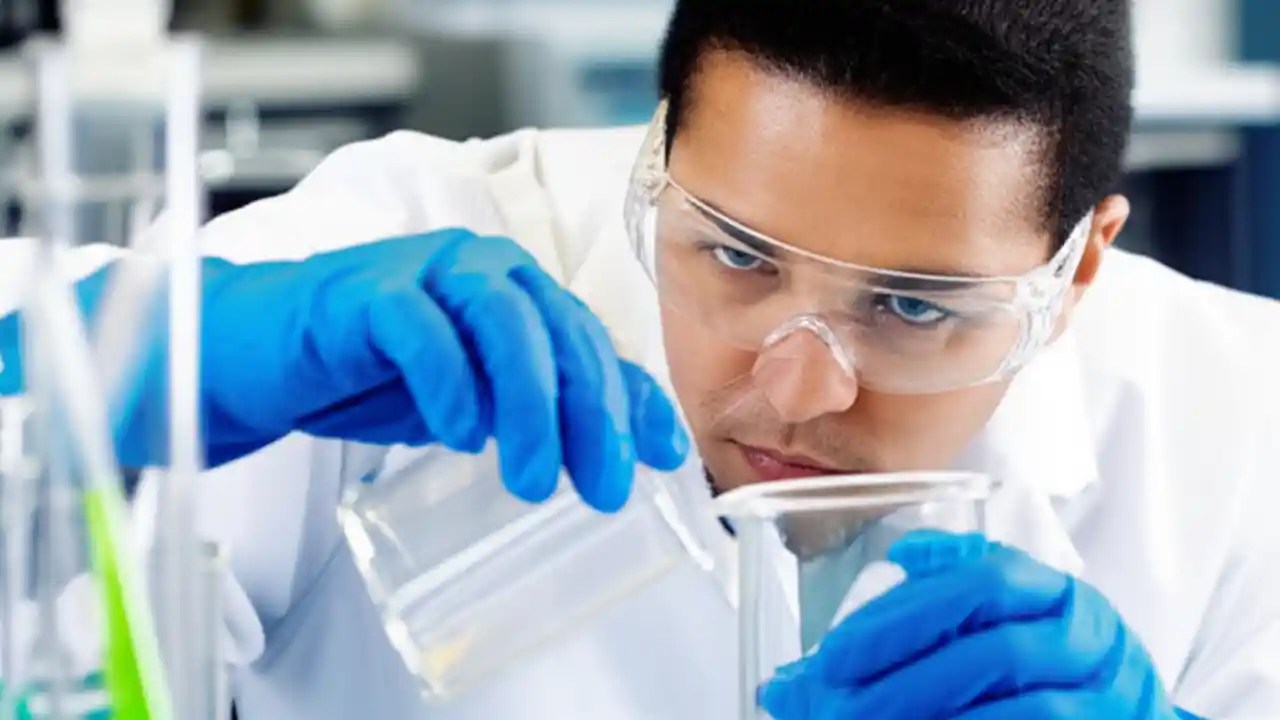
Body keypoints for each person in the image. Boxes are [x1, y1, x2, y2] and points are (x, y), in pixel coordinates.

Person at [1, 1, 1277, 718]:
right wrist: (84, 392)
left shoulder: (1231, 428)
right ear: (656, 153)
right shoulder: (385, 265)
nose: (795, 385)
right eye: (734, 257)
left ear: (1077, 272)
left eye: (911, 306)